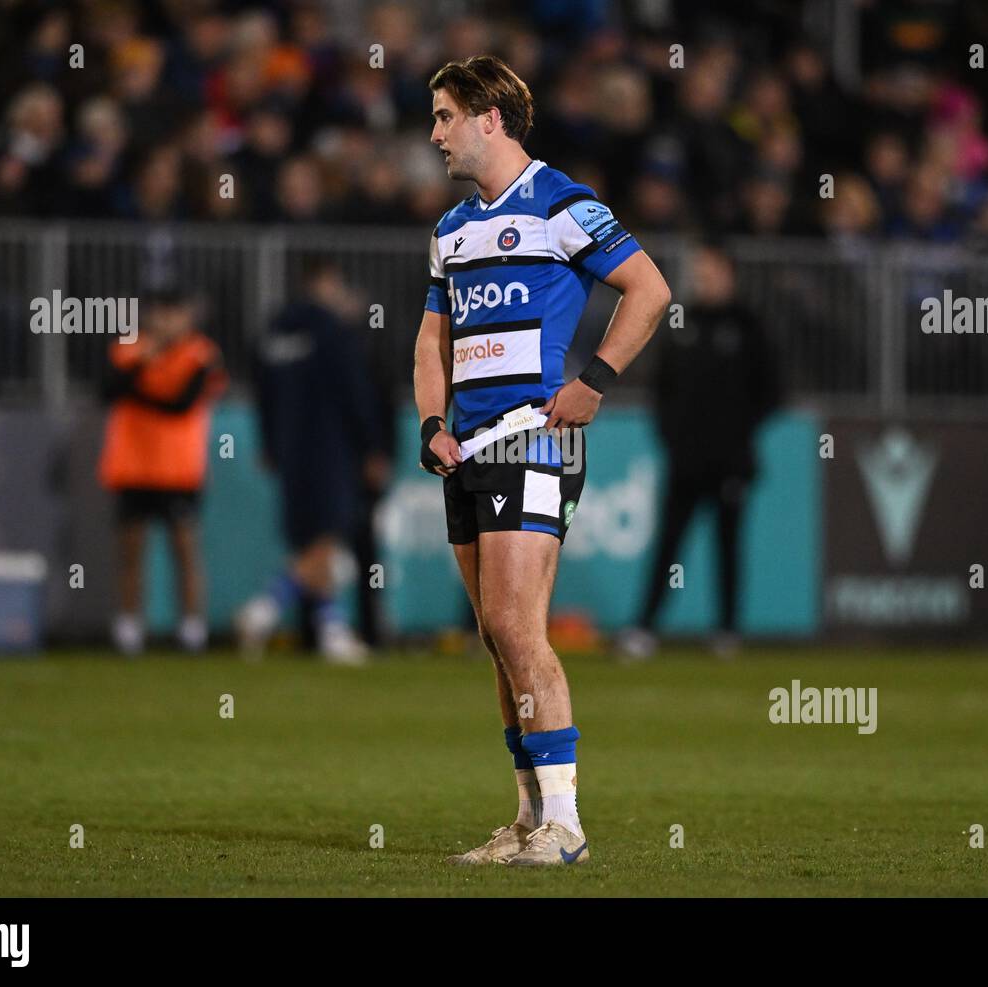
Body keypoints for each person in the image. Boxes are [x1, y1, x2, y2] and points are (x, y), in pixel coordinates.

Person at [414, 56, 670, 866]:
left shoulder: (565, 204)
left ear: (490, 118)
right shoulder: (452, 230)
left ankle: (566, 823)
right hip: (470, 448)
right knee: (496, 634)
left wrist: (595, 380)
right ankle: (526, 819)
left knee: (519, 625)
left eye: (445, 115)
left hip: (535, 437)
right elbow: (433, 339)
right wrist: (430, 422)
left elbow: (649, 289)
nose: (435, 133)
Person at [615, 241, 782, 660]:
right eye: (700, 271)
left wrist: (739, 432)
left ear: (729, 273)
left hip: (731, 462)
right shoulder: (681, 320)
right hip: (685, 462)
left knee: (728, 546)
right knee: (668, 545)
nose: (704, 278)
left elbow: (773, 390)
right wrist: (673, 436)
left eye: (712, 270)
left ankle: (727, 630)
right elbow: (662, 389)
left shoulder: (748, 325)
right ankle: (644, 628)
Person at [235, 261, 389, 663]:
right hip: (331, 448)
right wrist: (371, 446)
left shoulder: (274, 332)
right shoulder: (333, 331)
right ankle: (264, 608)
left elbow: (262, 394)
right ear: (324, 282)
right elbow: (355, 392)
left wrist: (269, 443)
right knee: (329, 537)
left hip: (288, 449)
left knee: (310, 538)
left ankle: (331, 628)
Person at [98, 288, 227, 655]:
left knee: (184, 551)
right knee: (130, 551)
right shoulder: (129, 349)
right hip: (133, 467)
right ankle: (128, 629)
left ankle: (191, 630)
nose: (167, 322)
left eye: (175, 314)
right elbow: (108, 391)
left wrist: (136, 388)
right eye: (161, 313)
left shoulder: (202, 355)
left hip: (177, 471)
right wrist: (143, 362)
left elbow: (181, 403)